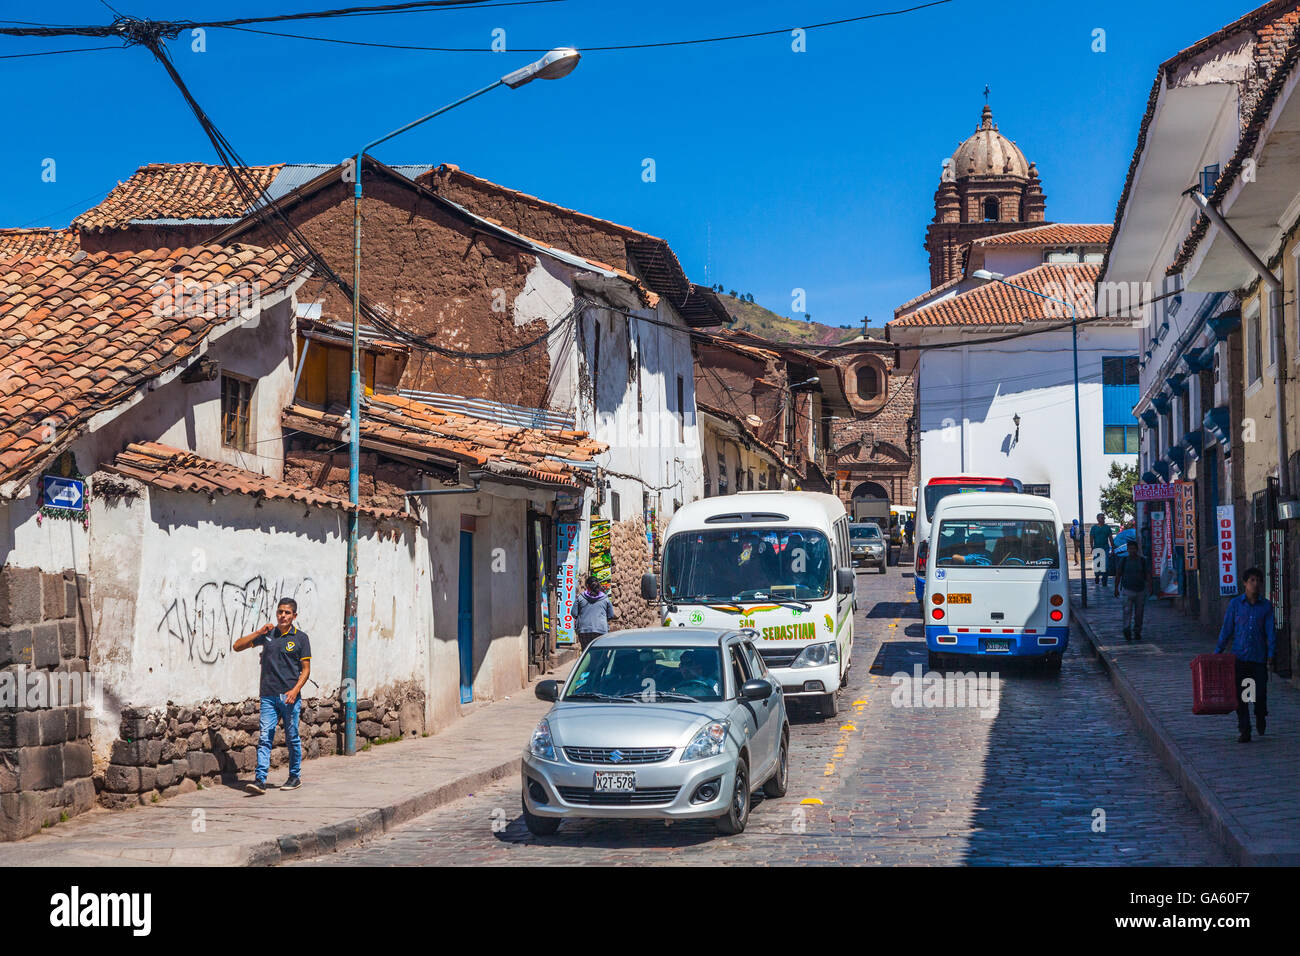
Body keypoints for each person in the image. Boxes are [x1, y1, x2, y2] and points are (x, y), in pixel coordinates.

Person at [234, 597, 311, 794]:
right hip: (268, 694)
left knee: (292, 736)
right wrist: (258, 632)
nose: (283, 616)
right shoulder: (268, 635)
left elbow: (306, 669)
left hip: (289, 696)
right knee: (265, 737)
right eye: (280, 612)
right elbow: (237, 646)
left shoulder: (301, 638)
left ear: (294, 616)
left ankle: (294, 776)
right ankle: (260, 780)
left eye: (287, 613)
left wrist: (294, 691)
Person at [1215, 567, 1276, 743]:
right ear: (1245, 583)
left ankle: (1260, 715)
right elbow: (1227, 629)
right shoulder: (1235, 605)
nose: (1255, 584)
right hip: (1239, 658)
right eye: (1252, 581)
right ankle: (1245, 729)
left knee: (1259, 694)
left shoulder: (1265, 606)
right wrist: (1217, 652)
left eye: (1258, 581)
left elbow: (1270, 632)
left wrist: (1271, 654)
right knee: (1242, 696)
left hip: (1258, 658)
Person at [1113, 540, 1151, 641]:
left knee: (1139, 613)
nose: (1132, 551)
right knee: (1127, 611)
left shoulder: (1142, 561)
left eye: (1134, 549)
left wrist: (1150, 587)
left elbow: (1147, 575)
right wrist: (1116, 588)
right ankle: (1127, 629)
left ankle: (1137, 630)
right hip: (1127, 589)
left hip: (1140, 590)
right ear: (1128, 550)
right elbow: (1118, 574)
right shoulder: (1124, 560)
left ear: (1137, 549)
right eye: (1130, 549)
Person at [573, 576, 616, 650]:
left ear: (587, 586)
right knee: (600, 652)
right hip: (601, 630)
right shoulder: (605, 599)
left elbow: (574, 613)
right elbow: (611, 615)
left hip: (584, 630)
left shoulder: (580, 598)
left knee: (586, 651)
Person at [1090, 513, 1115, 589]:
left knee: (1106, 566)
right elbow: (1091, 538)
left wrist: (1113, 547)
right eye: (1101, 518)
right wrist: (1092, 547)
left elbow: (1110, 538)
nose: (1103, 519)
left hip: (1105, 548)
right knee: (1097, 566)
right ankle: (1097, 576)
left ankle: (1104, 580)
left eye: (1103, 518)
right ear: (1097, 519)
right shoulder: (1094, 528)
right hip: (1097, 548)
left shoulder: (1107, 527)